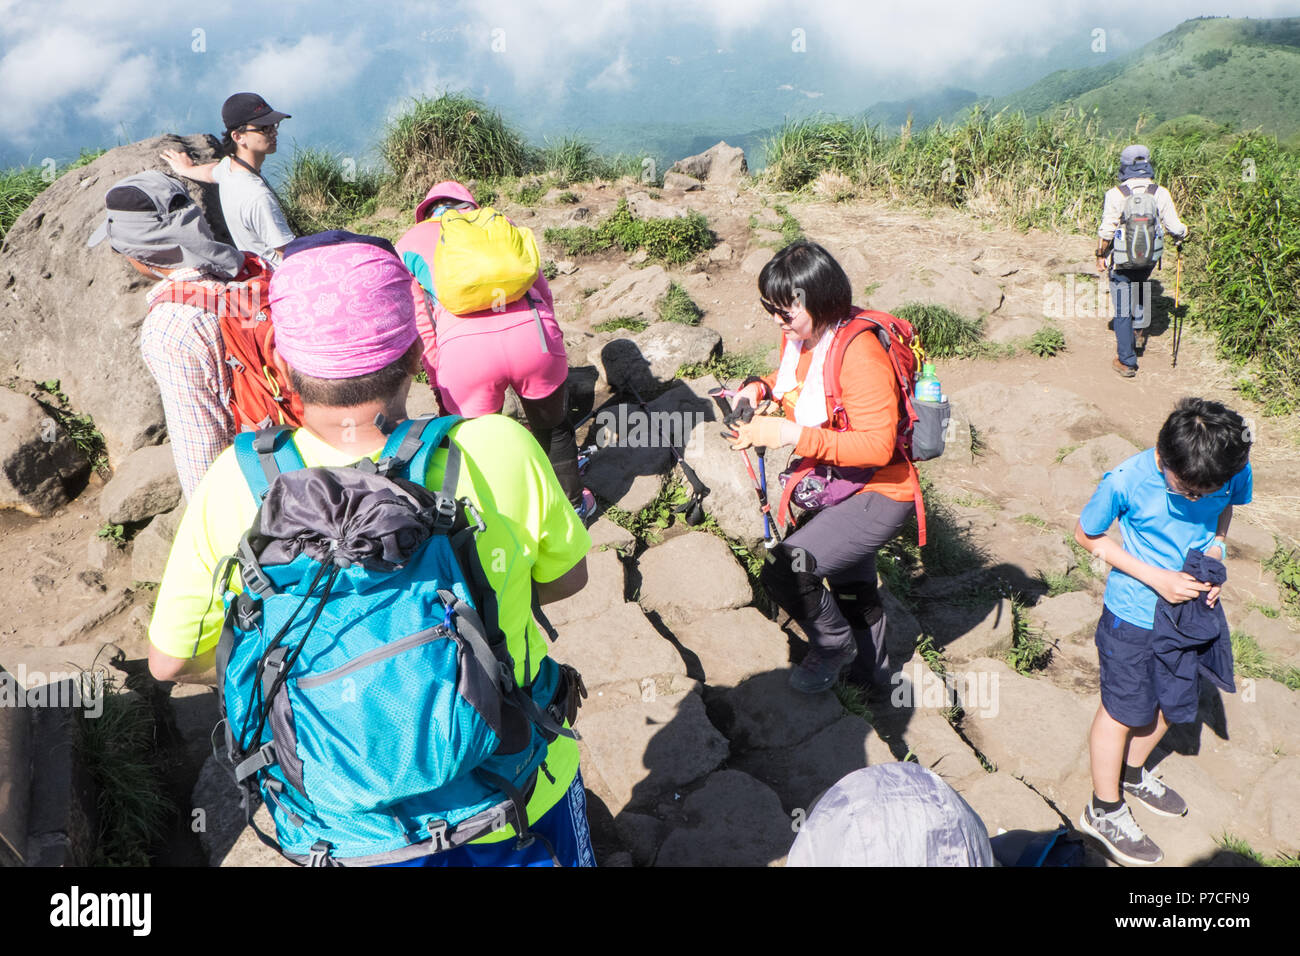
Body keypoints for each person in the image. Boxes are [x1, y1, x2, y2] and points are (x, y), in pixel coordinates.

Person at [146, 233, 595, 866]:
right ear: (416, 350)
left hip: (347, 831)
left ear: (282, 357)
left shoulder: (237, 482)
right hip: (515, 793)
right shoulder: (498, 446)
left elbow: (169, 663)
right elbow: (568, 578)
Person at [730, 241, 918, 694]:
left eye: (786, 311)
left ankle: (833, 645)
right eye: (769, 309)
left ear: (821, 300)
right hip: (842, 482)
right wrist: (759, 390)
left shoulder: (860, 355)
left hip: (880, 489)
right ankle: (875, 680)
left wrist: (788, 435)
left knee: (786, 568)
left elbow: (876, 446)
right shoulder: (804, 334)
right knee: (852, 585)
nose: (778, 320)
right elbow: (795, 380)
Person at [1073, 397, 1251, 865]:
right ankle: (1103, 808)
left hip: (1191, 607)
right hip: (1132, 614)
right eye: (1188, 491)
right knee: (1123, 710)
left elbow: (1227, 509)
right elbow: (1086, 535)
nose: (1199, 498)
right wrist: (1156, 577)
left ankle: (1133, 773)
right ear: (1162, 457)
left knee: (1176, 699)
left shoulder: (1229, 465)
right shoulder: (1127, 480)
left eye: (1205, 491)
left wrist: (1216, 549)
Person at [395, 181, 594, 520]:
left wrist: (437, 379)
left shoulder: (409, 244)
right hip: (533, 340)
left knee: (474, 443)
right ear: (469, 205)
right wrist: (549, 337)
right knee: (554, 428)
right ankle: (572, 509)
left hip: (465, 355)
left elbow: (423, 323)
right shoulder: (501, 223)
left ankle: (495, 519)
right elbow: (541, 290)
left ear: (425, 212)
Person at [88, 170, 250, 497]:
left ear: (138, 252)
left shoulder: (171, 327)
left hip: (258, 491)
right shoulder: (246, 274)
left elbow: (202, 459)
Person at [161, 92, 295, 266]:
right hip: (280, 275)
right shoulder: (258, 197)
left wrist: (186, 169)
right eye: (264, 128)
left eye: (273, 125)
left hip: (256, 272)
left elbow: (211, 172)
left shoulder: (229, 170)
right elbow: (289, 255)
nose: (274, 133)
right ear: (238, 137)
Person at [1095, 144, 1188, 378]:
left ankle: (1127, 361)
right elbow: (1175, 227)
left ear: (1124, 165)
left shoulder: (1116, 193)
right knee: (1139, 287)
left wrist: (1100, 256)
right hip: (1148, 260)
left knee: (1121, 309)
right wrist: (1183, 234)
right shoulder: (1160, 192)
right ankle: (1139, 330)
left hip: (1122, 260)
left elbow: (1107, 231)